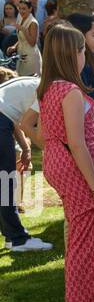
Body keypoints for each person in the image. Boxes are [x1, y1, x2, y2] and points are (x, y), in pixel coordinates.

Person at [38, 23, 94, 302]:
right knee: (81, 238)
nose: (85, 55)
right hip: (72, 166)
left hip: (58, 161)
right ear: (71, 54)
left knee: (81, 235)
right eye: (81, 50)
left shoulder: (51, 87)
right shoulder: (70, 92)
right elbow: (77, 143)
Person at [0, 74, 52, 253]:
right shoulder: (47, 89)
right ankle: (17, 239)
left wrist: (26, 148)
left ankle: (10, 234)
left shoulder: (36, 84)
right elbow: (31, 125)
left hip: (4, 120)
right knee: (6, 183)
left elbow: (14, 119)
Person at [15, 0, 42, 76]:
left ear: (30, 9)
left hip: (31, 57)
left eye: (24, 9)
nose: (21, 11)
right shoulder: (20, 18)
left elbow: (32, 43)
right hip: (21, 54)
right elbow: (21, 38)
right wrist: (14, 46)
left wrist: (24, 30)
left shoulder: (33, 23)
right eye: (19, 8)